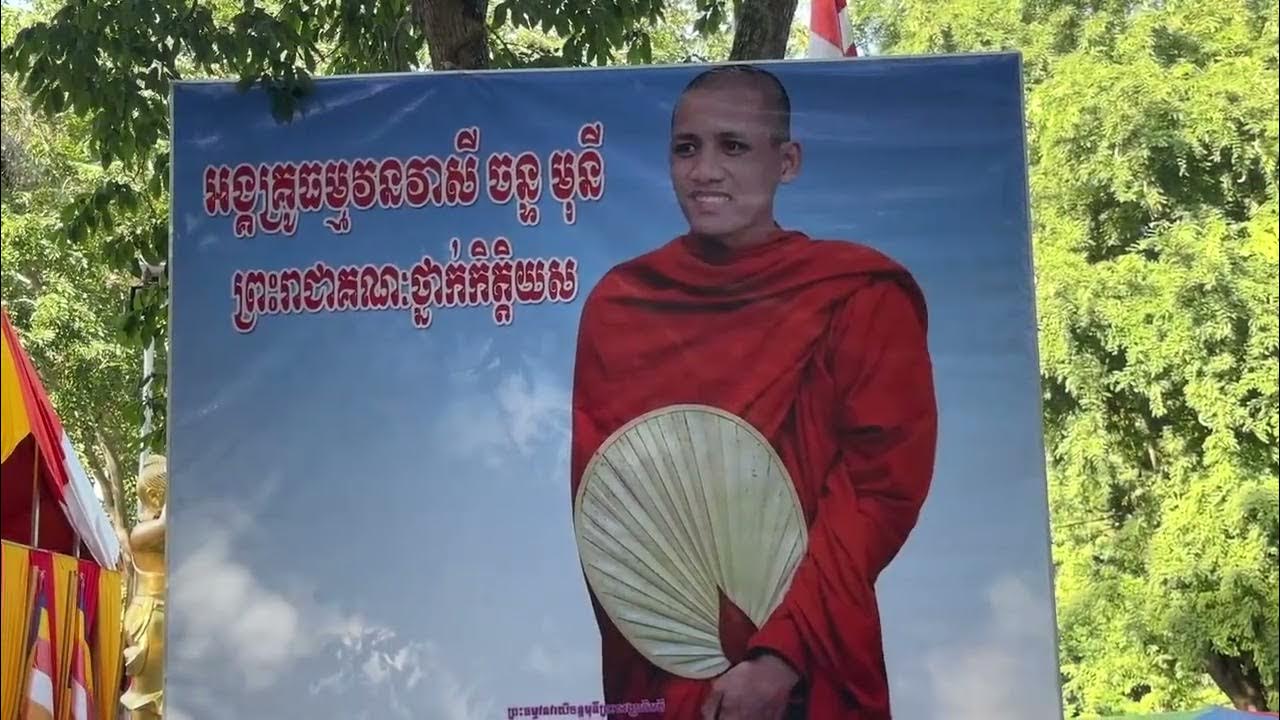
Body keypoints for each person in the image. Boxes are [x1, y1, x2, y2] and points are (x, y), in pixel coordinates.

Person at [569, 64, 938, 720]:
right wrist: (685, 657)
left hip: (810, 660)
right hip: (671, 670)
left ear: (786, 161)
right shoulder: (622, 305)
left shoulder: (854, 295)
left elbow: (878, 493)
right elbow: (611, 508)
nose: (705, 170)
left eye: (733, 146)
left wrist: (779, 657)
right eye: (687, 148)